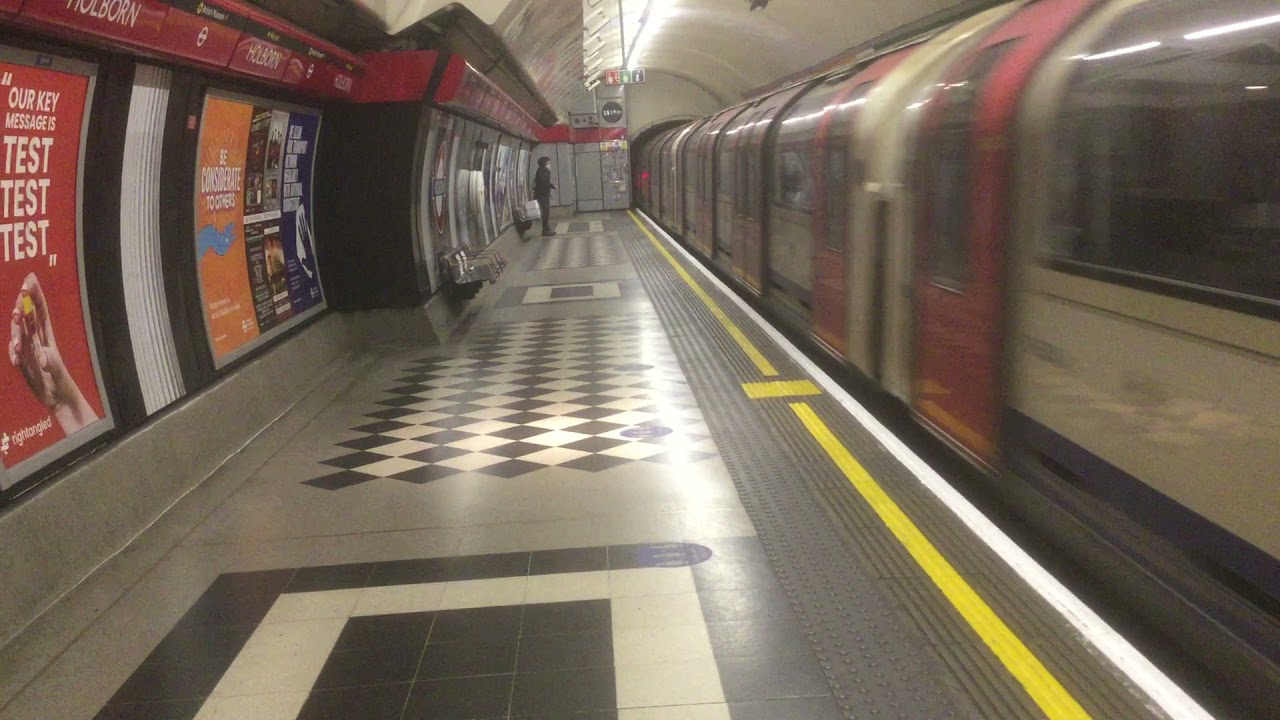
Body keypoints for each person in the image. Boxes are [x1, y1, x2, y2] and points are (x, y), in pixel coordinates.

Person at [534, 156, 556, 237]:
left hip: (544, 194)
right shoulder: (542, 171)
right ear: (544, 164)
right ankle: (545, 230)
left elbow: (545, 182)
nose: (550, 165)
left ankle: (546, 229)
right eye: (548, 163)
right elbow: (543, 183)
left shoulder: (543, 171)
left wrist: (552, 186)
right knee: (545, 213)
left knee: (546, 212)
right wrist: (549, 186)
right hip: (542, 195)